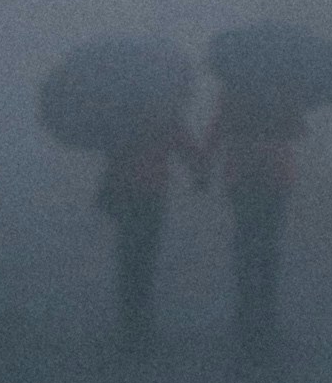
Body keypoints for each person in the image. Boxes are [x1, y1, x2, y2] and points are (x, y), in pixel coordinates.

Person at [204, 76, 307, 352]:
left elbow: (217, 130)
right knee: (270, 237)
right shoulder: (285, 91)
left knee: (245, 234)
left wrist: (203, 165)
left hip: (242, 176)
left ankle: (246, 299)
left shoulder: (232, 93)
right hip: (276, 175)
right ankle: (267, 300)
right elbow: (299, 129)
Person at [95, 97, 196, 344]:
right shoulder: (165, 111)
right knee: (146, 255)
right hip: (153, 189)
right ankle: (142, 322)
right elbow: (184, 144)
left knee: (127, 254)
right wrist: (200, 169)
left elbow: (106, 145)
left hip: (123, 188)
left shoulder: (116, 111)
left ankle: (129, 323)